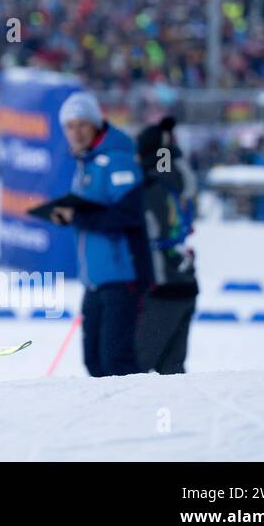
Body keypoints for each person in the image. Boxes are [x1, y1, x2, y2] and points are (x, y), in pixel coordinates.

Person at [50, 90, 148, 378]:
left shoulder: (117, 158)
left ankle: (136, 417)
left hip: (122, 276)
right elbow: (94, 213)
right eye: (69, 126)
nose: (76, 132)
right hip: (95, 280)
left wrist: (79, 216)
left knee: (116, 362)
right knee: (94, 362)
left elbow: (130, 214)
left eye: (82, 124)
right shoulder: (86, 164)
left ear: (95, 125)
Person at [134, 116, 199, 374]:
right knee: (172, 371)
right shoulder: (177, 180)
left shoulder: (149, 187)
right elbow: (176, 172)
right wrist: (167, 145)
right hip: (186, 281)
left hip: (162, 287)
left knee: (132, 371)